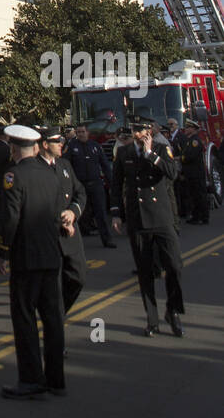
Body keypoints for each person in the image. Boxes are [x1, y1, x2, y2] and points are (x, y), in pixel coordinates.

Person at [0, 125, 67, 399]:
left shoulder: (14, 175)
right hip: (50, 253)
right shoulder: (51, 174)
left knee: (25, 319)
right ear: (36, 147)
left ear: (14, 149)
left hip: (26, 257)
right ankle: (56, 379)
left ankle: (31, 378)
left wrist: (2, 250)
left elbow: (11, 217)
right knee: (52, 319)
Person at [112, 118, 185, 336]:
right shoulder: (124, 154)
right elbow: (116, 184)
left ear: (150, 131)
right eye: (136, 130)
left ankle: (172, 311)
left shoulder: (162, 149)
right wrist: (117, 214)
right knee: (145, 272)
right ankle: (151, 318)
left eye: (144, 130)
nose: (140, 134)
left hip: (162, 217)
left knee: (174, 266)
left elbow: (172, 173)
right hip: (139, 218)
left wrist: (151, 154)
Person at [39, 128, 87, 317]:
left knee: (78, 277)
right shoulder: (35, 169)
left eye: (62, 140)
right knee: (53, 288)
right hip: (49, 235)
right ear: (44, 145)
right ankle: (54, 324)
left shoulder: (65, 165)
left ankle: (57, 315)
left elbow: (80, 192)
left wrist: (73, 212)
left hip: (70, 235)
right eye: (56, 141)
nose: (61, 144)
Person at [64, 126, 115, 247]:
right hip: (80, 185)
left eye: (83, 132)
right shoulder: (72, 147)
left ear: (88, 133)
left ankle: (107, 239)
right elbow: (66, 165)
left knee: (101, 212)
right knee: (79, 213)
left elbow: (105, 165)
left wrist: (112, 183)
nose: (80, 134)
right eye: (78, 132)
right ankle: (76, 242)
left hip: (96, 184)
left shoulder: (95, 146)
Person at [179, 121, 209, 225]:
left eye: (188, 127)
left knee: (199, 195)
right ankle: (197, 216)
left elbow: (190, 156)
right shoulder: (189, 141)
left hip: (196, 173)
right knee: (194, 195)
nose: (186, 129)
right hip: (191, 173)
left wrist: (180, 158)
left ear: (193, 129)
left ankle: (203, 216)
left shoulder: (195, 141)